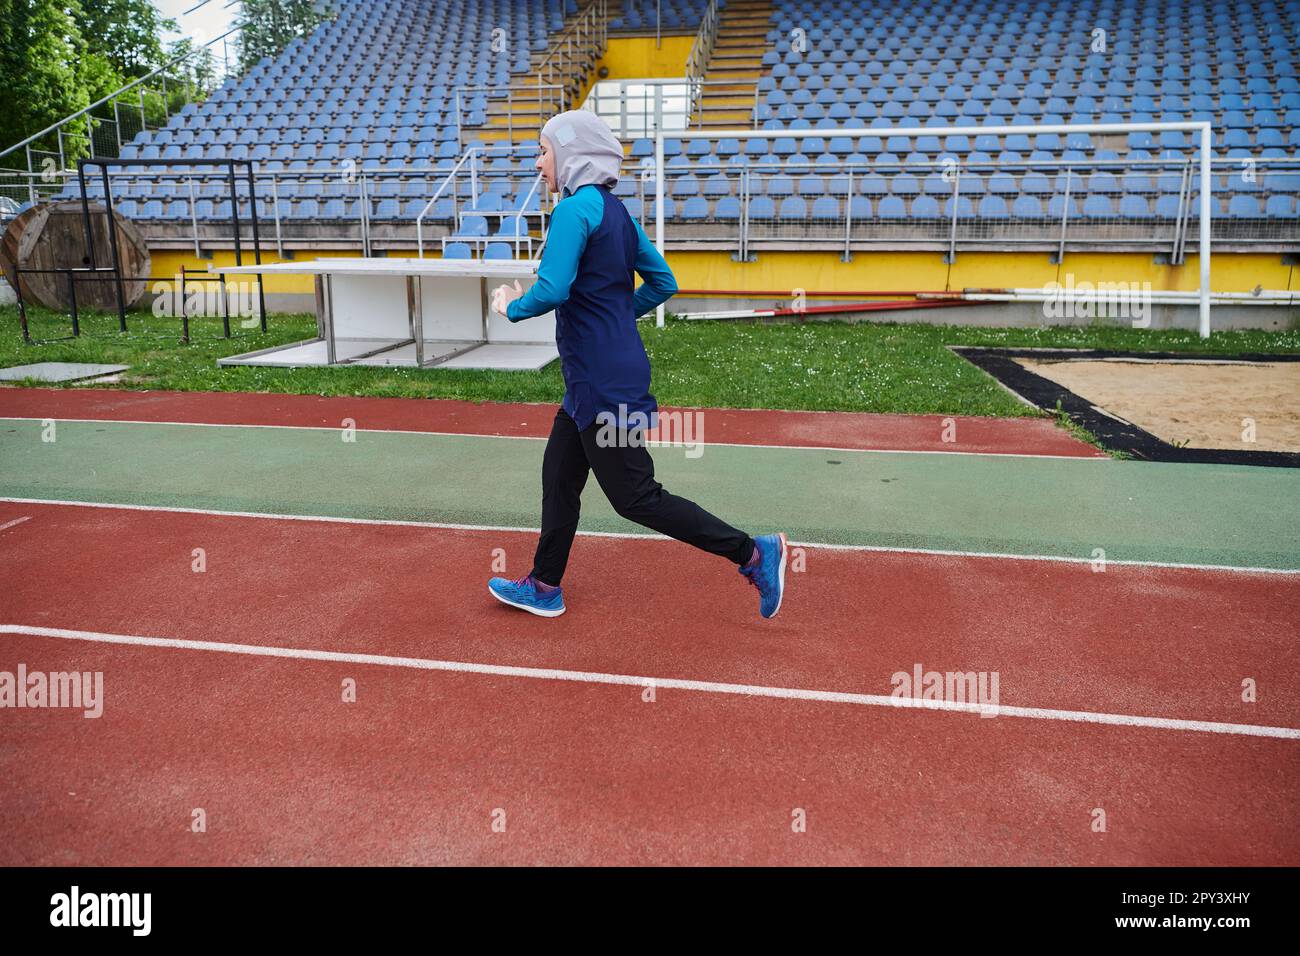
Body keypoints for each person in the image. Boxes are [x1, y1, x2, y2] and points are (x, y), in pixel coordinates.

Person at [487, 110, 786, 620]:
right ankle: (544, 585)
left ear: (571, 152)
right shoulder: (616, 213)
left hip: (602, 385)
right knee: (559, 477)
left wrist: (508, 306)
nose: (538, 164)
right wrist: (614, 317)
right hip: (593, 381)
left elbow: (553, 289)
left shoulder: (572, 213)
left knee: (636, 497)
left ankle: (753, 553)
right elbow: (664, 283)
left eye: (543, 150)